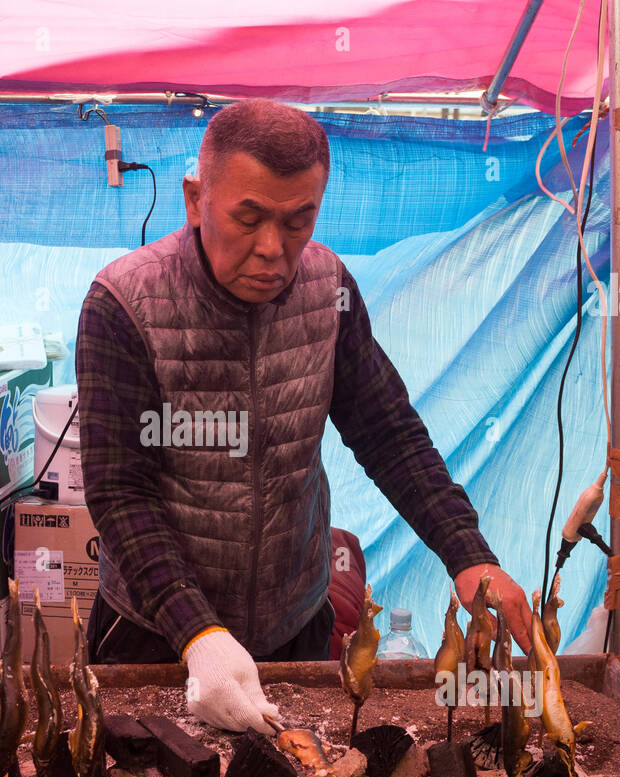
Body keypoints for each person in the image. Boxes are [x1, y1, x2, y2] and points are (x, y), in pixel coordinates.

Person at [75, 99, 532, 734]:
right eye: (249, 217)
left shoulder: (328, 291)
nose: (272, 249)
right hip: (153, 634)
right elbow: (120, 492)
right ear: (194, 198)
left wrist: (468, 555)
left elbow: (388, 432)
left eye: (298, 221)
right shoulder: (123, 303)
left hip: (293, 624)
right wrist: (198, 634)